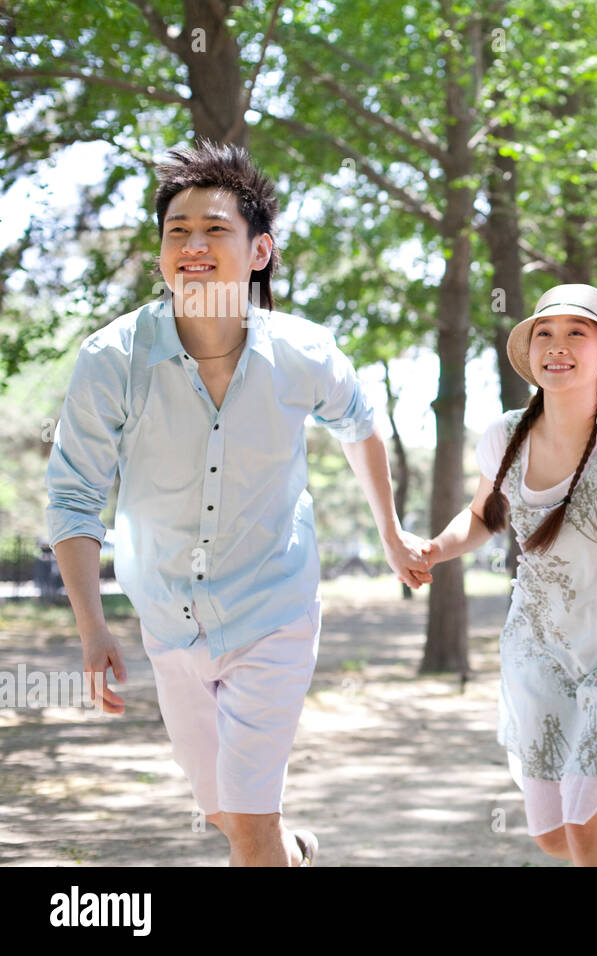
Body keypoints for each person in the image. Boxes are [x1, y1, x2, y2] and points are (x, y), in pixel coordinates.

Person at [45, 140, 433, 867]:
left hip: (274, 611)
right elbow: (72, 495)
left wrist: (390, 534)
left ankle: (269, 841)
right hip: (168, 619)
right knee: (227, 813)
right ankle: (284, 846)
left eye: (215, 229)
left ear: (259, 251)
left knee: (248, 827)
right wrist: (92, 627)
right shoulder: (112, 359)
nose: (193, 245)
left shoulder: (304, 353)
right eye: (177, 231)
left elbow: (360, 424)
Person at [424, 283, 597, 866]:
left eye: (577, 333)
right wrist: (434, 550)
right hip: (542, 649)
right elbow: (482, 518)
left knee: (582, 819)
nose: (557, 346)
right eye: (544, 334)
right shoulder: (505, 436)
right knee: (551, 832)